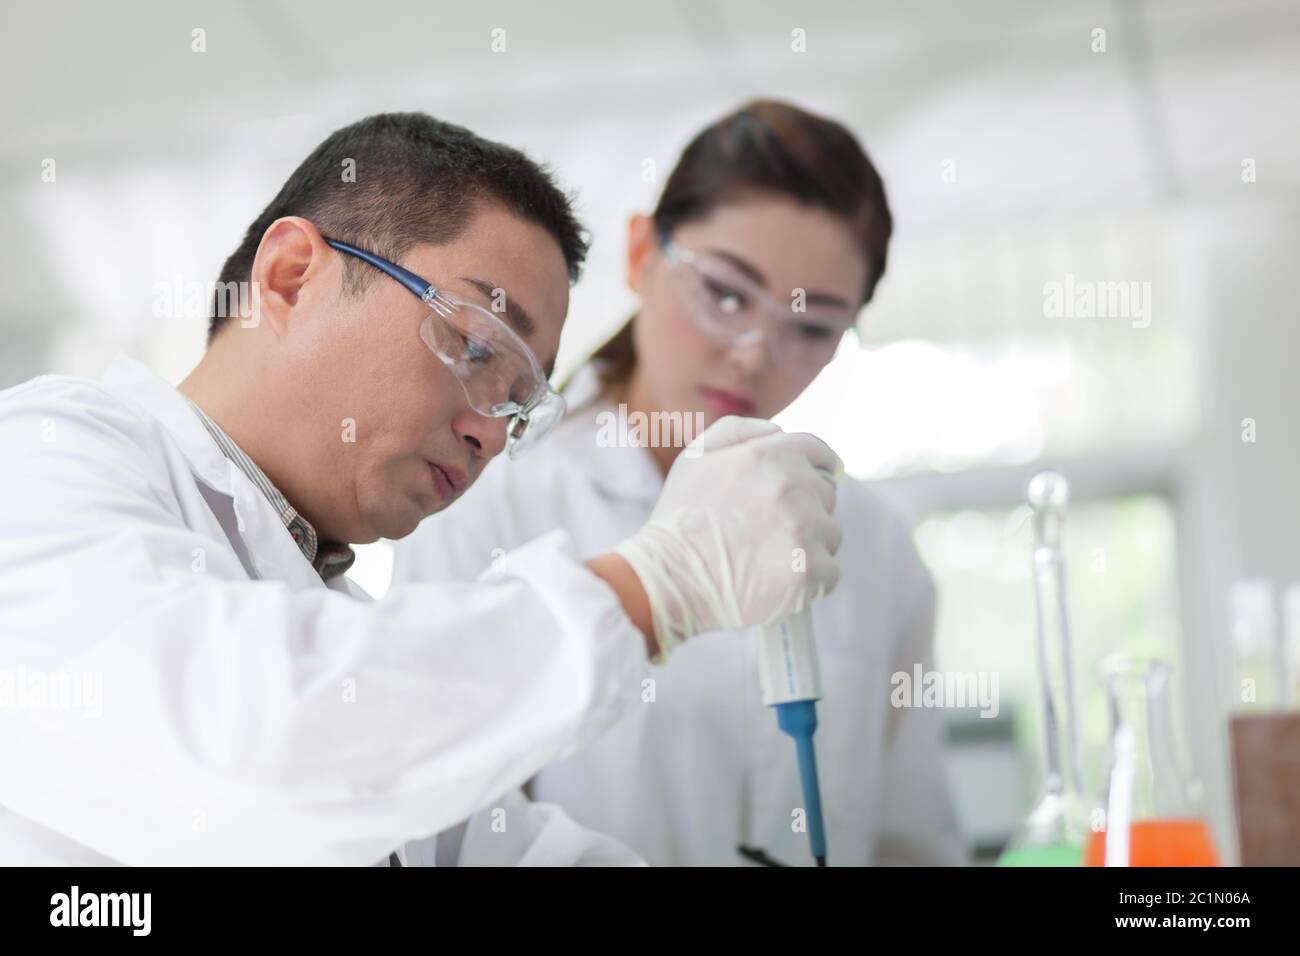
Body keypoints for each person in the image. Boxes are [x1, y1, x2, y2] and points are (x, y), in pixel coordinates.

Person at [0, 112, 844, 865]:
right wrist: (656, 587)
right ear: (292, 275)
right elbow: (249, 748)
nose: (488, 431)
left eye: (520, 402)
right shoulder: (45, 458)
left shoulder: (336, 617)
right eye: (477, 346)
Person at [394, 101, 966, 866]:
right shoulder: (492, 501)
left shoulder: (878, 548)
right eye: (726, 293)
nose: (754, 353)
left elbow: (911, 841)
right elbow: (440, 819)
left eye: (812, 325)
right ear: (641, 255)